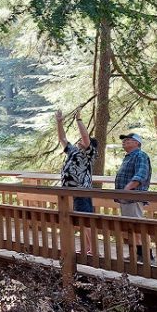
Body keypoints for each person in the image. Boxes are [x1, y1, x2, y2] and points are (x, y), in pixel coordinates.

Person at [56, 109, 98, 254]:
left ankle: (93, 249)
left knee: (85, 220)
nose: (80, 141)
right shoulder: (74, 152)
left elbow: (85, 137)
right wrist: (59, 122)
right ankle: (87, 247)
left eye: (84, 142)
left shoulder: (88, 154)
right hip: (71, 192)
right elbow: (62, 139)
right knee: (81, 220)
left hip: (82, 191)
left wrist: (78, 120)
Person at [114, 132, 153, 263]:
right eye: (124, 140)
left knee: (138, 226)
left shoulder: (140, 155)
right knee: (132, 227)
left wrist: (126, 190)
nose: (125, 141)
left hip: (134, 197)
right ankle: (138, 254)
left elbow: (140, 175)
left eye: (129, 140)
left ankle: (148, 256)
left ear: (137, 143)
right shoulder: (128, 157)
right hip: (126, 198)